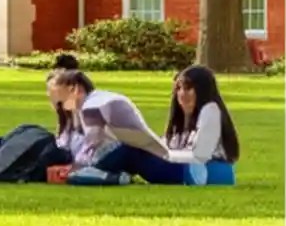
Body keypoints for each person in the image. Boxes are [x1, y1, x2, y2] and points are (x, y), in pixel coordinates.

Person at [94, 65, 241, 186]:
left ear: (203, 91)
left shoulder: (210, 114)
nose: (182, 94)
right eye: (179, 89)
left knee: (130, 150)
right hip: (187, 169)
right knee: (132, 145)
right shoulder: (185, 122)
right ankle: (108, 174)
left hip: (193, 172)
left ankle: (90, 170)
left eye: (188, 88)